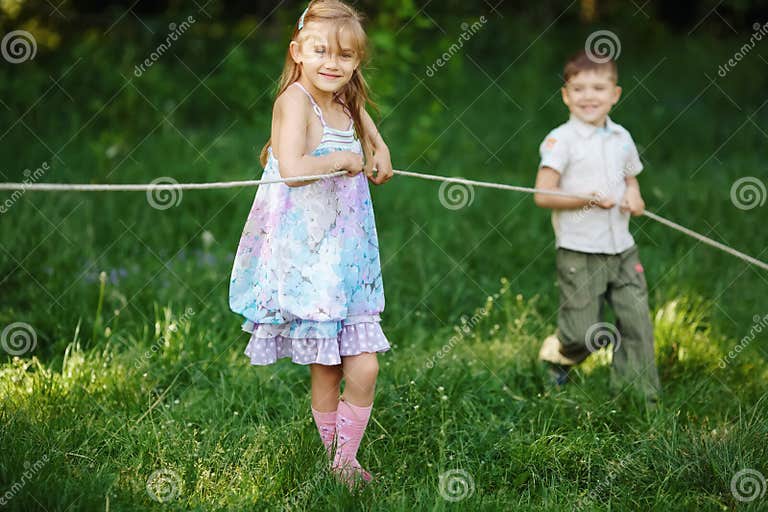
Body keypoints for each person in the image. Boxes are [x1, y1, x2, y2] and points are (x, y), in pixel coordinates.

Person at [228, 0, 394, 488]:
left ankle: (344, 457)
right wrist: (340, 160)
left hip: (349, 260)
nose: (332, 63)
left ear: (357, 61)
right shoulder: (294, 101)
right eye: (320, 51)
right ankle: (340, 464)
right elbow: (294, 169)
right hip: (308, 260)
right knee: (326, 368)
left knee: (364, 369)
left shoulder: (345, 99)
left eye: (345, 55)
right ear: (297, 51)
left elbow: (365, 123)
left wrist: (379, 148)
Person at [533, 50, 660, 403]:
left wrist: (634, 196)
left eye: (599, 88)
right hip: (580, 249)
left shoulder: (622, 137)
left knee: (636, 319)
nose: (589, 96)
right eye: (579, 89)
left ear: (615, 94)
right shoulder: (561, 140)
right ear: (566, 95)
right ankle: (559, 352)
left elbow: (631, 179)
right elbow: (542, 194)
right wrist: (584, 198)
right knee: (583, 332)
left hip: (622, 247)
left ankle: (638, 396)